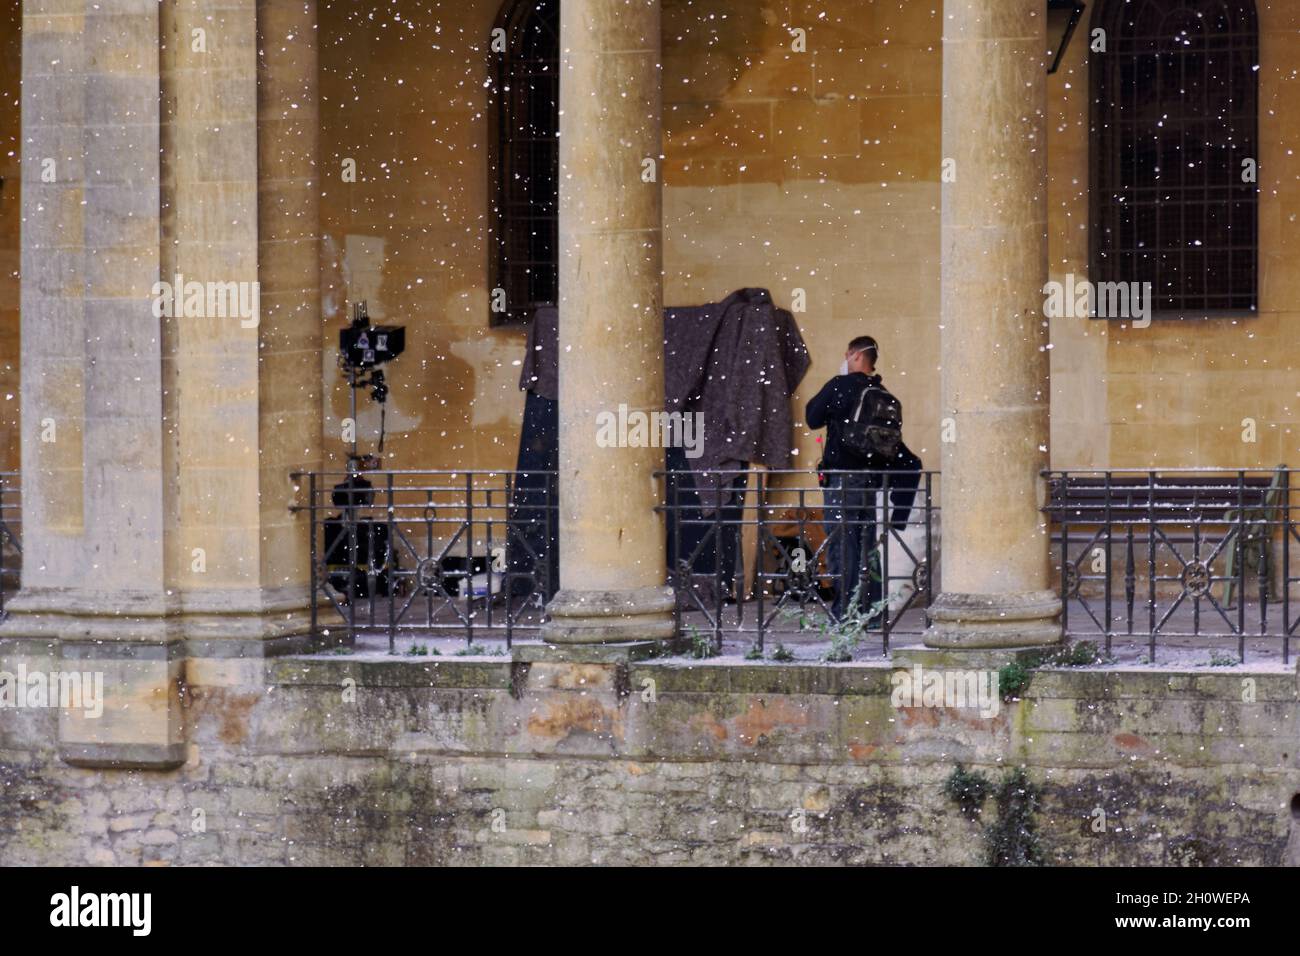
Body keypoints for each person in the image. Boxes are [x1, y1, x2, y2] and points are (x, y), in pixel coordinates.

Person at [805, 336, 922, 622]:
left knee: (842, 545)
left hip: (843, 480)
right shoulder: (880, 391)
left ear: (856, 356)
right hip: (872, 480)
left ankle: (845, 613)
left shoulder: (839, 385)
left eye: (847, 355)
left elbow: (812, 417)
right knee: (867, 547)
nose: (844, 360)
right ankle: (872, 612)